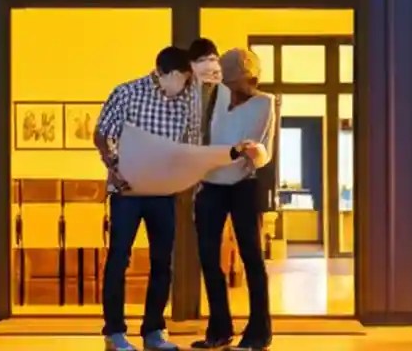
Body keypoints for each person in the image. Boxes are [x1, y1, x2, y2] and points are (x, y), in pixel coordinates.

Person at [93, 46, 202, 351]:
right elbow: (101, 134)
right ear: (170, 74)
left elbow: (190, 144)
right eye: (185, 78)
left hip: (163, 192)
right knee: (119, 258)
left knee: (162, 261)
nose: (187, 84)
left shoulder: (187, 101)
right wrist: (114, 166)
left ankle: (153, 330)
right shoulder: (127, 93)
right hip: (127, 190)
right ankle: (114, 332)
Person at [192, 48, 275, 351]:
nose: (229, 86)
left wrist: (255, 153)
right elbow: (203, 139)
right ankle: (219, 330)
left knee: (252, 258)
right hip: (210, 186)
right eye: (225, 81)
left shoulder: (265, 103)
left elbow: (265, 152)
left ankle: (259, 333)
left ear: (250, 78)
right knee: (208, 257)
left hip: (244, 185)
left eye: (234, 81)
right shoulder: (214, 96)